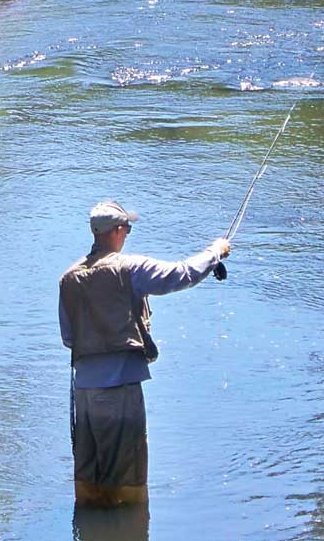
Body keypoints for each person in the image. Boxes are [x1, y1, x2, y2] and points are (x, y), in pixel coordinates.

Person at [58, 200, 229, 506]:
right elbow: (183, 274)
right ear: (119, 231)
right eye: (127, 229)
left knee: (88, 478)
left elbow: (69, 338)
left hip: (83, 393)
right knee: (127, 484)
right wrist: (216, 251)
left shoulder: (69, 277)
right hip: (120, 390)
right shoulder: (131, 269)